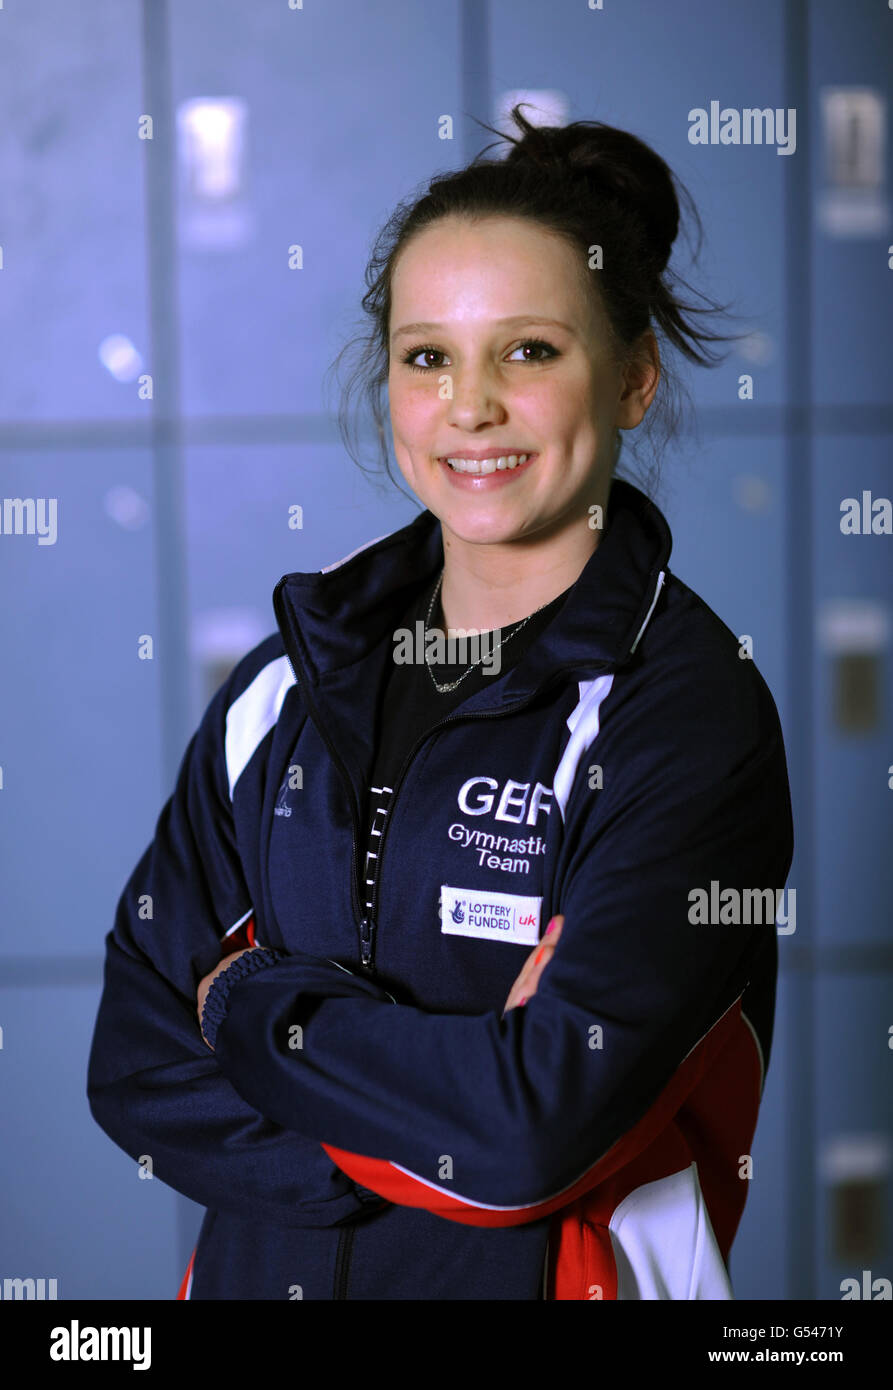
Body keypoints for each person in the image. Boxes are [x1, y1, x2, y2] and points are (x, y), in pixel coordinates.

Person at [87, 106, 794, 1300]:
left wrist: (251, 1005)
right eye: (427, 357)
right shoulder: (286, 687)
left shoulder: (681, 714)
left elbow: (525, 1132)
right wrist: (420, 1112)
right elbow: (136, 1062)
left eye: (527, 351)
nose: (469, 407)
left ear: (629, 378)